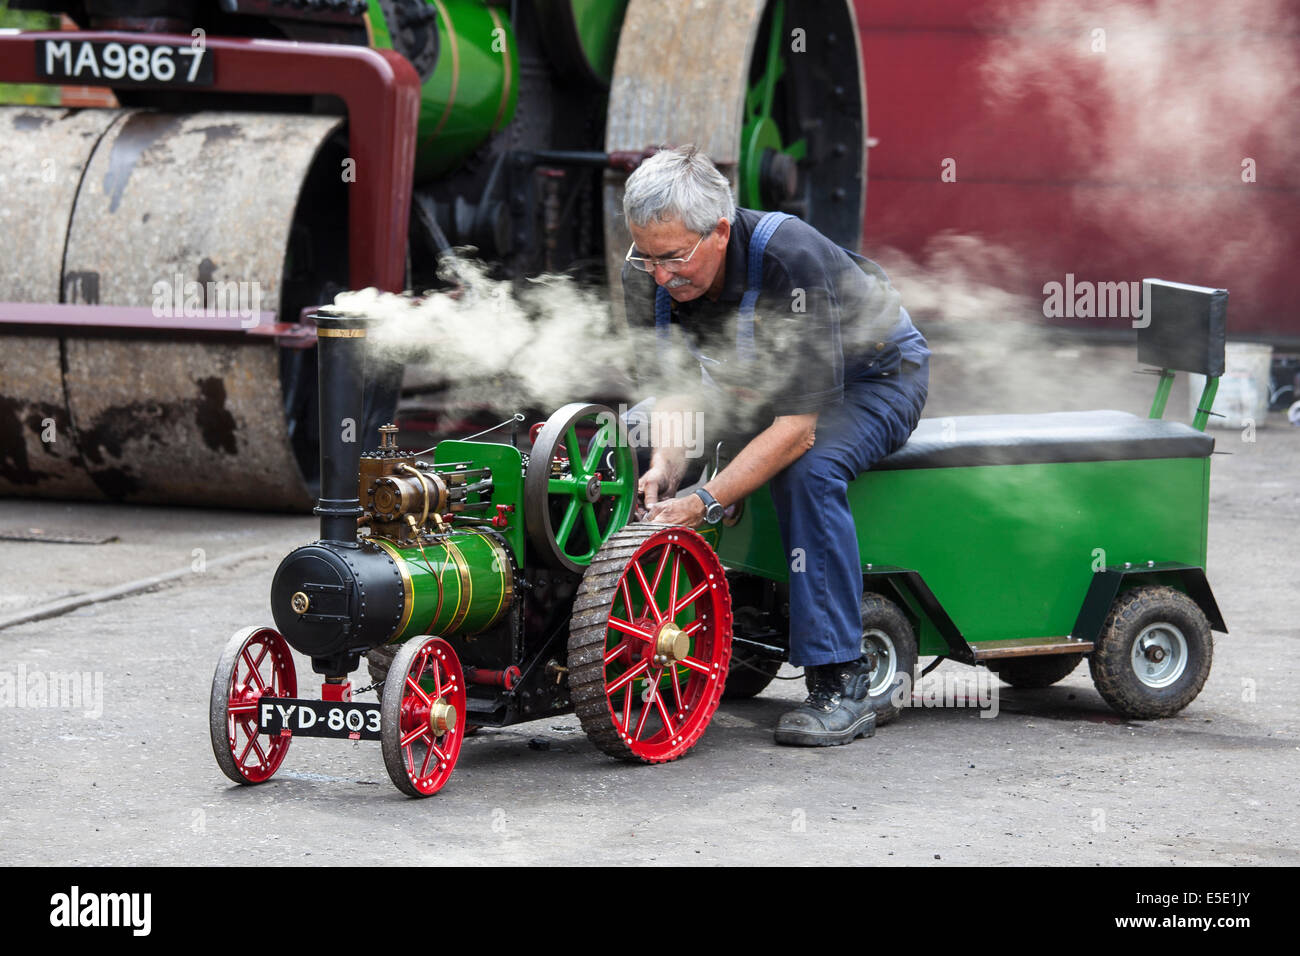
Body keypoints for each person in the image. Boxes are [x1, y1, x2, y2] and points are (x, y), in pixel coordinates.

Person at [620, 145, 930, 746]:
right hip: (751, 388)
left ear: (719, 230)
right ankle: (649, 645)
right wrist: (664, 468)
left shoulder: (792, 261)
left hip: (873, 382)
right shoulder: (659, 269)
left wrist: (705, 498)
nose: (661, 276)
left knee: (807, 471)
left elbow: (797, 428)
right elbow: (677, 394)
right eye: (647, 258)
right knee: (627, 434)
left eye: (674, 258)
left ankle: (842, 681)